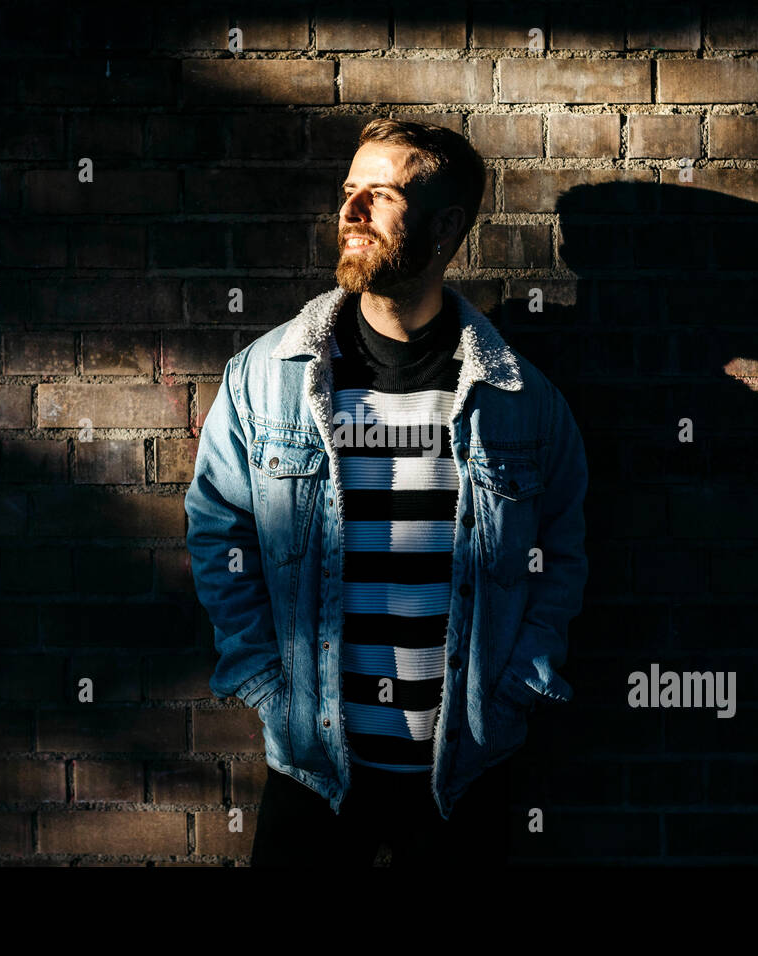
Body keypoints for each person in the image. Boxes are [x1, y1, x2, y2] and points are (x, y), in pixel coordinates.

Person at [185, 118, 588, 867]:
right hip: (315, 776)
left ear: (445, 225)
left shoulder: (522, 404)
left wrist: (511, 694)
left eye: (380, 194)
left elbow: (560, 561)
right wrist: (273, 692)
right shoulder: (266, 380)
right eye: (348, 192)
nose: (351, 211)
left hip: (464, 779)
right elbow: (218, 535)